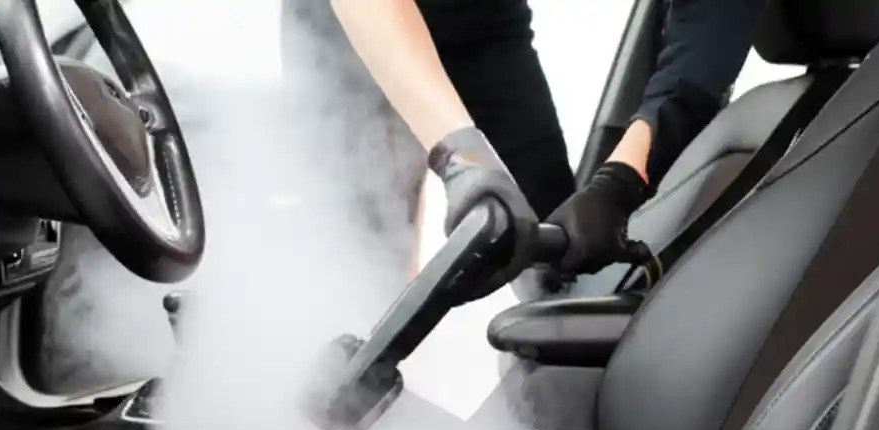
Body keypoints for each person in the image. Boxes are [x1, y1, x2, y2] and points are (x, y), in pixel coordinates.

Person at [296, 0, 768, 298]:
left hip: (485, 25)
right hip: (359, 28)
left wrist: (620, 181)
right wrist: (463, 158)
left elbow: (712, 19)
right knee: (361, 271)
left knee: (557, 259)